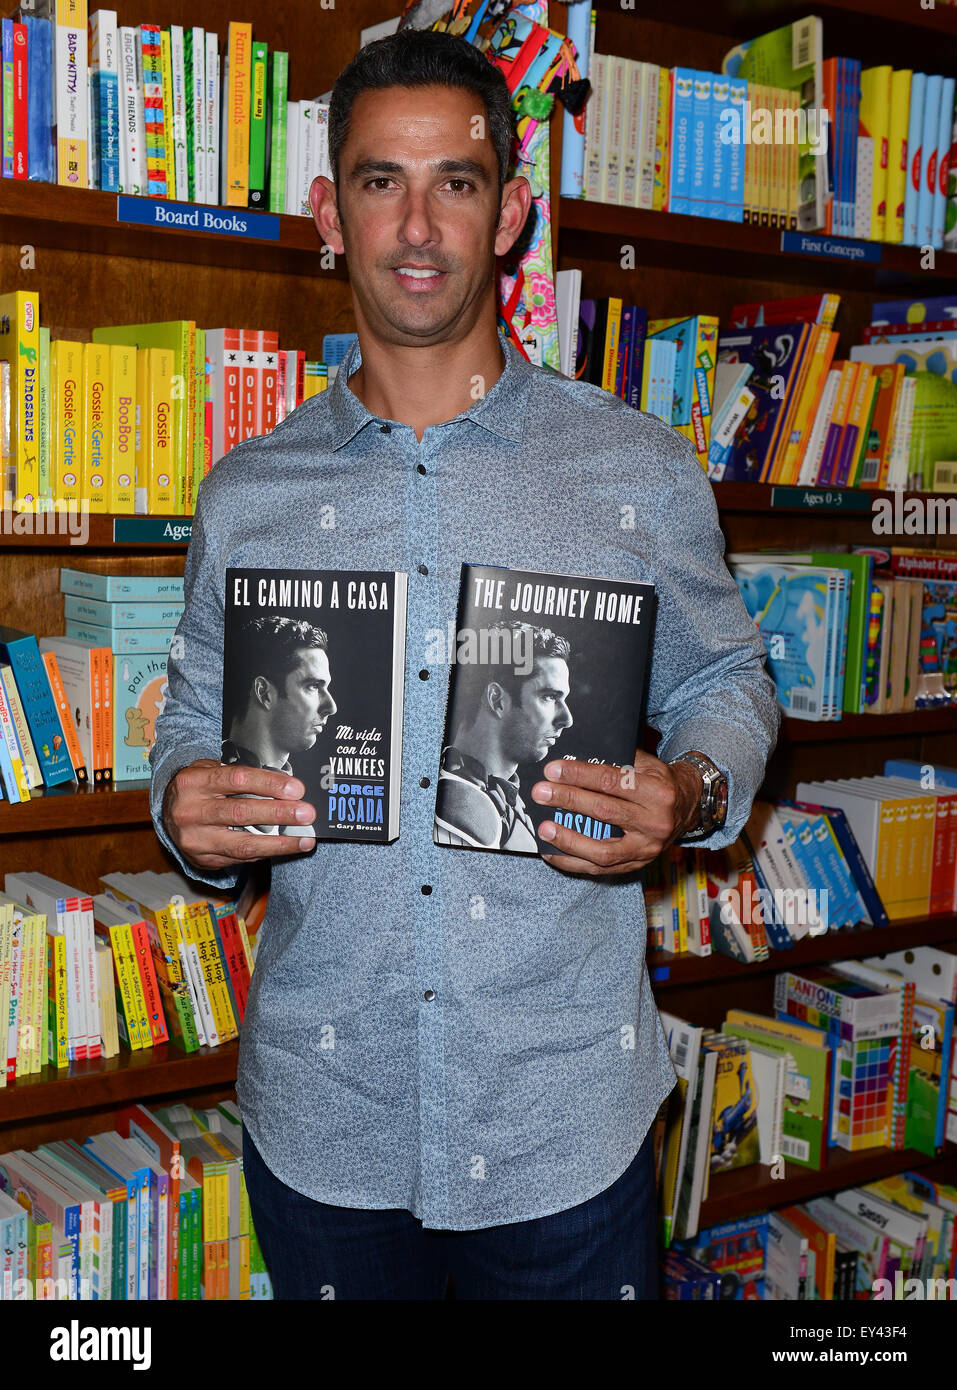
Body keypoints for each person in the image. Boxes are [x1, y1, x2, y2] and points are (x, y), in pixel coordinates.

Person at [150, 27, 779, 1300]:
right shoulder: (246, 492)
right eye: (383, 180)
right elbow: (192, 721)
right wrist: (183, 813)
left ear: (512, 214)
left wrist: (694, 794)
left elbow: (730, 681)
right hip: (326, 1121)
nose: (421, 224)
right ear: (331, 212)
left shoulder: (637, 469)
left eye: (459, 181)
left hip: (563, 1130)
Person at [433, 619, 572, 852]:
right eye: (549, 696)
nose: (567, 719)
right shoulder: (460, 805)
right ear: (497, 700)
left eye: (563, 699)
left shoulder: (509, 806)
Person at [221, 614, 336, 835]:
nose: (331, 706)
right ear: (264, 693)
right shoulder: (212, 794)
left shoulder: (298, 825)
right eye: (313, 686)